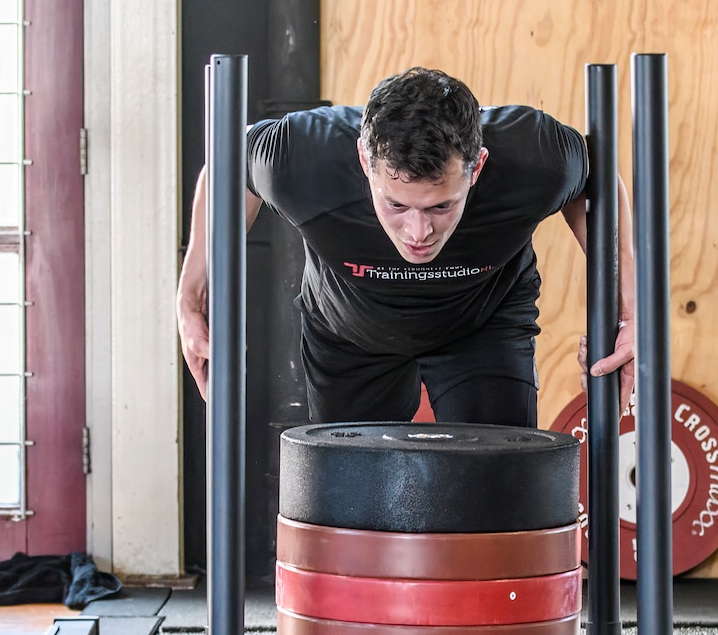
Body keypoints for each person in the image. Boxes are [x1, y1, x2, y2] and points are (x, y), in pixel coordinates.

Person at [177, 66, 635, 427]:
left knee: (493, 490)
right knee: (352, 501)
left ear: (477, 168)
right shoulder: (301, 159)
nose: (418, 233)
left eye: (440, 207)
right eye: (396, 204)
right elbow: (226, 166)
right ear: (363, 161)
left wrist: (632, 313)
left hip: (482, 324)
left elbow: (595, 180)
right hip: (348, 332)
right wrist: (192, 295)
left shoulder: (535, 157)